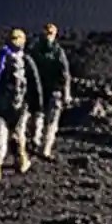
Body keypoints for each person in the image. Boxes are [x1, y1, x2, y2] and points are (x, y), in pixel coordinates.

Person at [0, 28, 42, 182]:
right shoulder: (26, 61)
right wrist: (37, 107)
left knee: (1, 137)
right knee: (18, 135)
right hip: (19, 106)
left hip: (1, 107)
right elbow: (35, 85)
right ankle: (21, 162)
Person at [28, 22, 72, 160]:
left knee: (44, 117)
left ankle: (40, 144)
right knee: (46, 119)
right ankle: (42, 147)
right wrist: (67, 93)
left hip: (47, 90)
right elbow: (65, 74)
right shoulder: (54, 51)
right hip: (44, 90)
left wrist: (66, 92)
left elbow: (65, 74)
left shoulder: (38, 50)